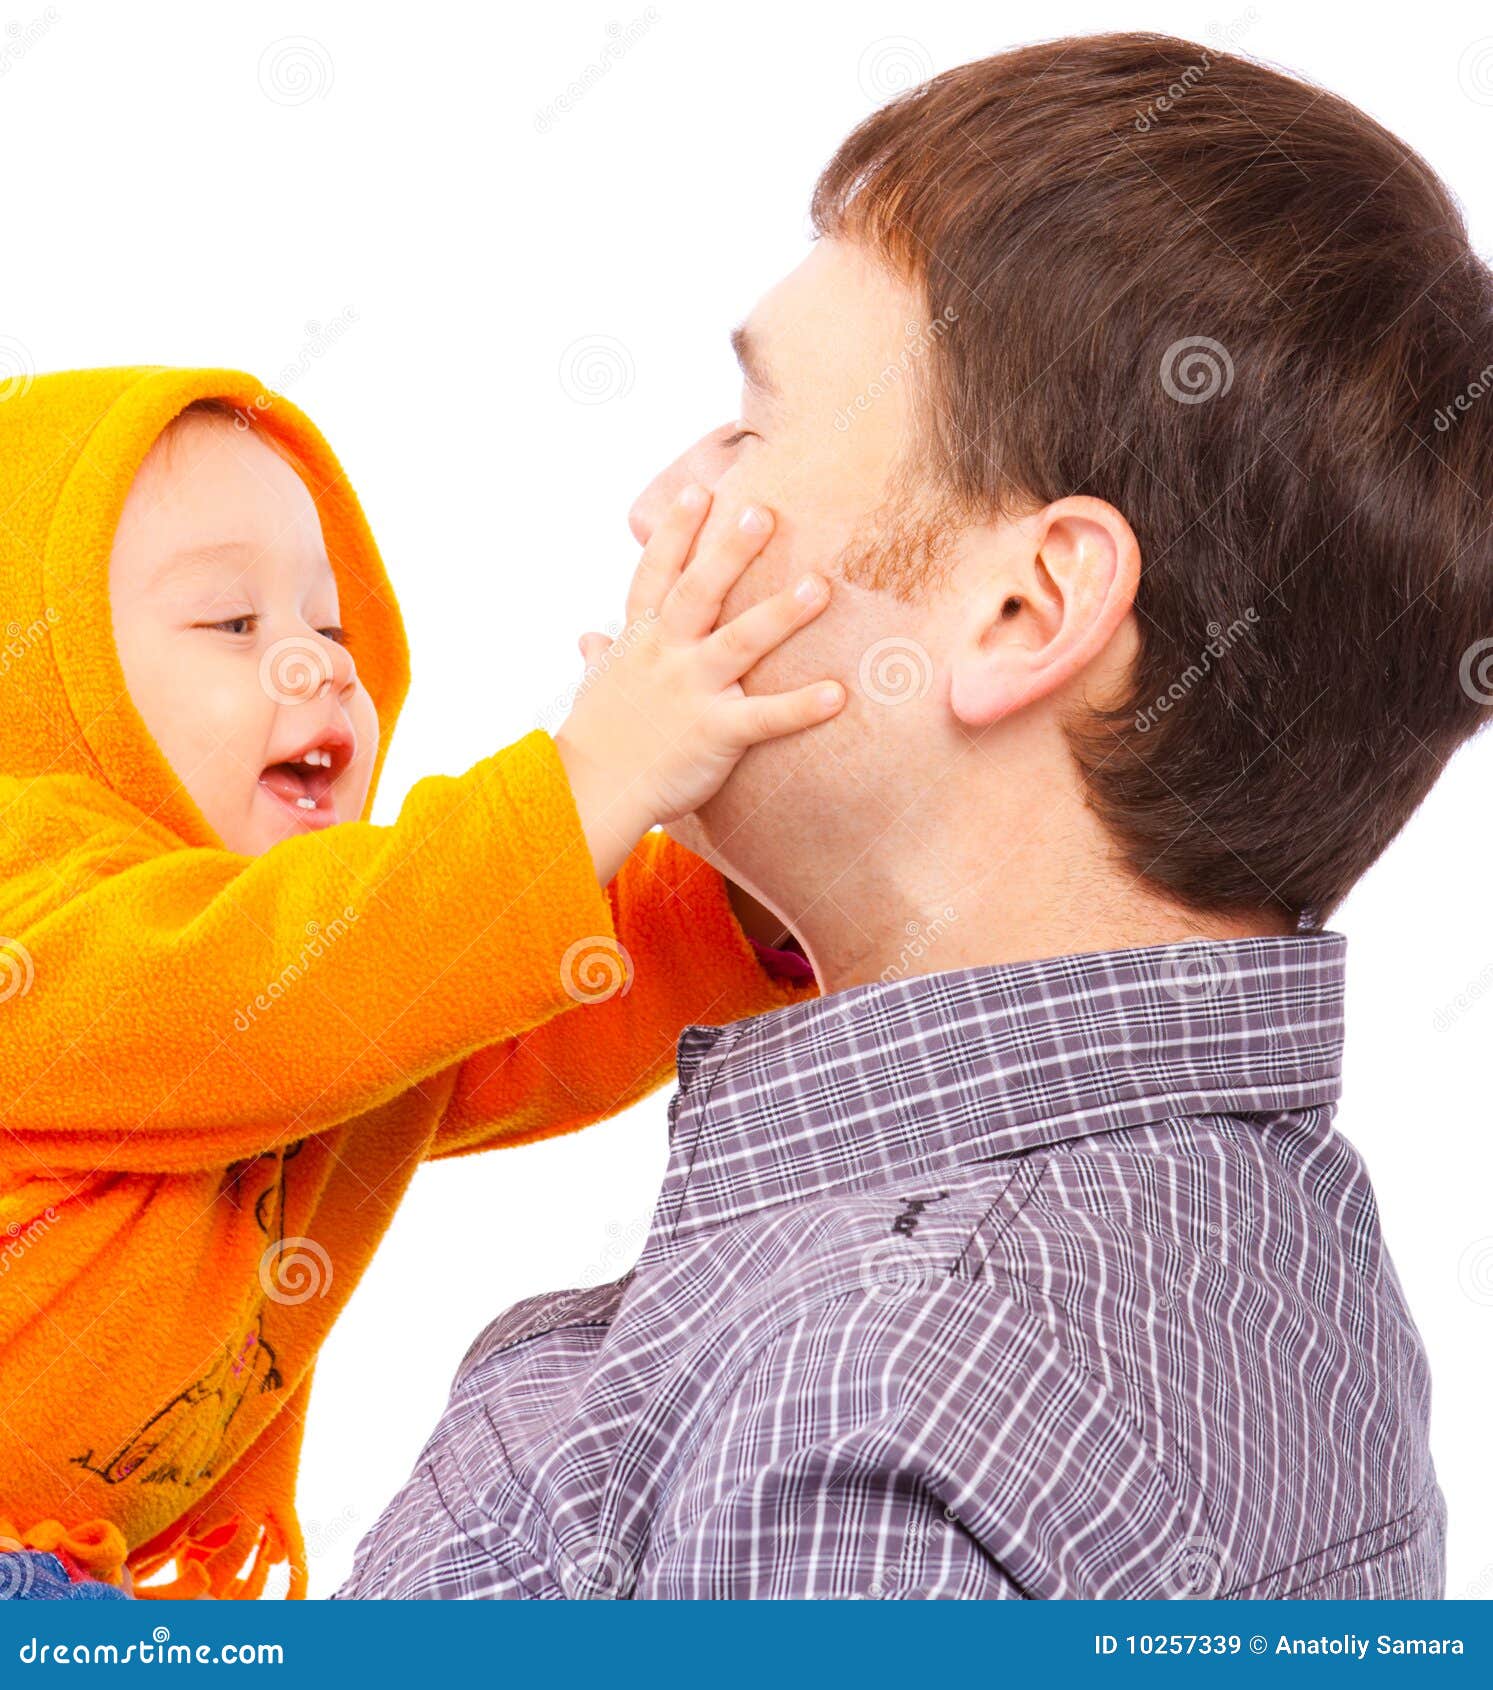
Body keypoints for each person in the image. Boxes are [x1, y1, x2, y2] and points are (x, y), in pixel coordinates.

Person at [338, 30, 1490, 1599]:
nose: (660, 501)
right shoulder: (1279, 1259)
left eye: (752, 428)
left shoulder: (879, 1397)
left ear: (1024, 609)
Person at [0, 372, 844, 1598]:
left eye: (332, 627)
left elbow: (515, 1009)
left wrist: (744, 894)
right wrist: (592, 773)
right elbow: (285, 987)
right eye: (230, 625)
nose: (315, 666)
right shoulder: (34, 915)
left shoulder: (349, 998)